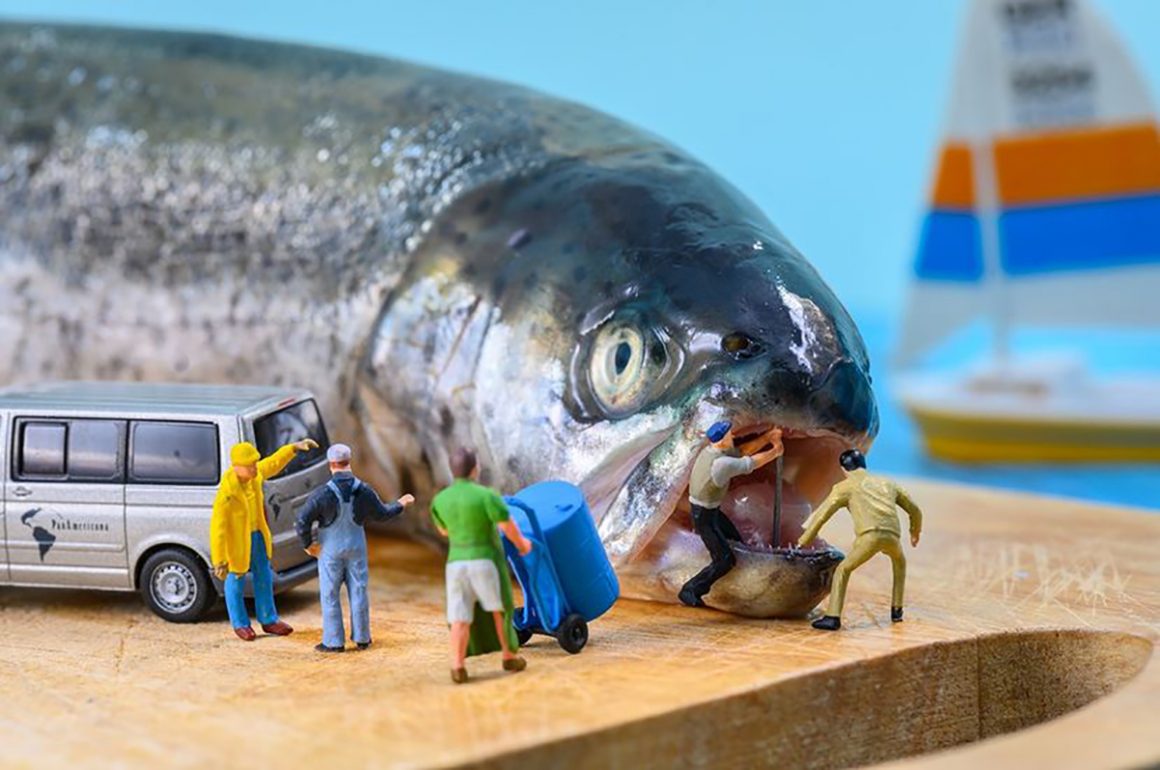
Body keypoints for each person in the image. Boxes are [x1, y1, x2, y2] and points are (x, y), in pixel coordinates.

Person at [296, 443, 415, 652]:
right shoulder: (365, 491)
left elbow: (302, 520)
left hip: (330, 551)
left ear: (331, 464)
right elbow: (383, 514)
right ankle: (362, 637)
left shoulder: (322, 494)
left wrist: (308, 545)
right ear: (349, 462)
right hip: (356, 548)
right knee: (359, 590)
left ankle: (333, 642)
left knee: (330, 595)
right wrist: (400, 504)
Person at [430, 447, 532, 685]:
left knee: (459, 617)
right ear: (475, 469)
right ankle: (509, 657)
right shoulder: (486, 495)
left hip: (455, 564)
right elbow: (506, 524)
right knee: (500, 610)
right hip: (484, 560)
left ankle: (457, 666)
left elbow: (444, 530)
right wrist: (522, 544)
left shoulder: (440, 500)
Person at [797, 449, 923, 631]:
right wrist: (915, 532)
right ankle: (897, 611)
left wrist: (804, 540)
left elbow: (822, 516)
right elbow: (914, 509)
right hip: (893, 537)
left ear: (843, 469)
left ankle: (833, 617)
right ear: (864, 465)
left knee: (842, 570)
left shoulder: (844, 487)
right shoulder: (887, 483)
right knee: (900, 564)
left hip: (869, 536)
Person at [210, 438, 318, 641]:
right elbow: (218, 528)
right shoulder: (227, 494)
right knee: (236, 580)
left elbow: (272, 463)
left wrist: (292, 449)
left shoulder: (254, 477)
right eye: (250, 465)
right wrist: (219, 559)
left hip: (258, 535)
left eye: (254, 464)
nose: (254, 468)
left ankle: (269, 619)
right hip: (238, 543)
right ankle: (240, 624)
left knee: (264, 576)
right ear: (237, 467)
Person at [678, 421, 784, 608]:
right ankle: (690, 590)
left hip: (711, 512)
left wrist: (767, 437)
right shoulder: (720, 464)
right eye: (729, 435)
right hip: (703, 517)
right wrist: (775, 451)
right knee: (725, 559)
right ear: (721, 441)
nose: (733, 436)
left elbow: (742, 451)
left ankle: (736, 579)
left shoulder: (712, 452)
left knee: (736, 541)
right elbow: (750, 463)